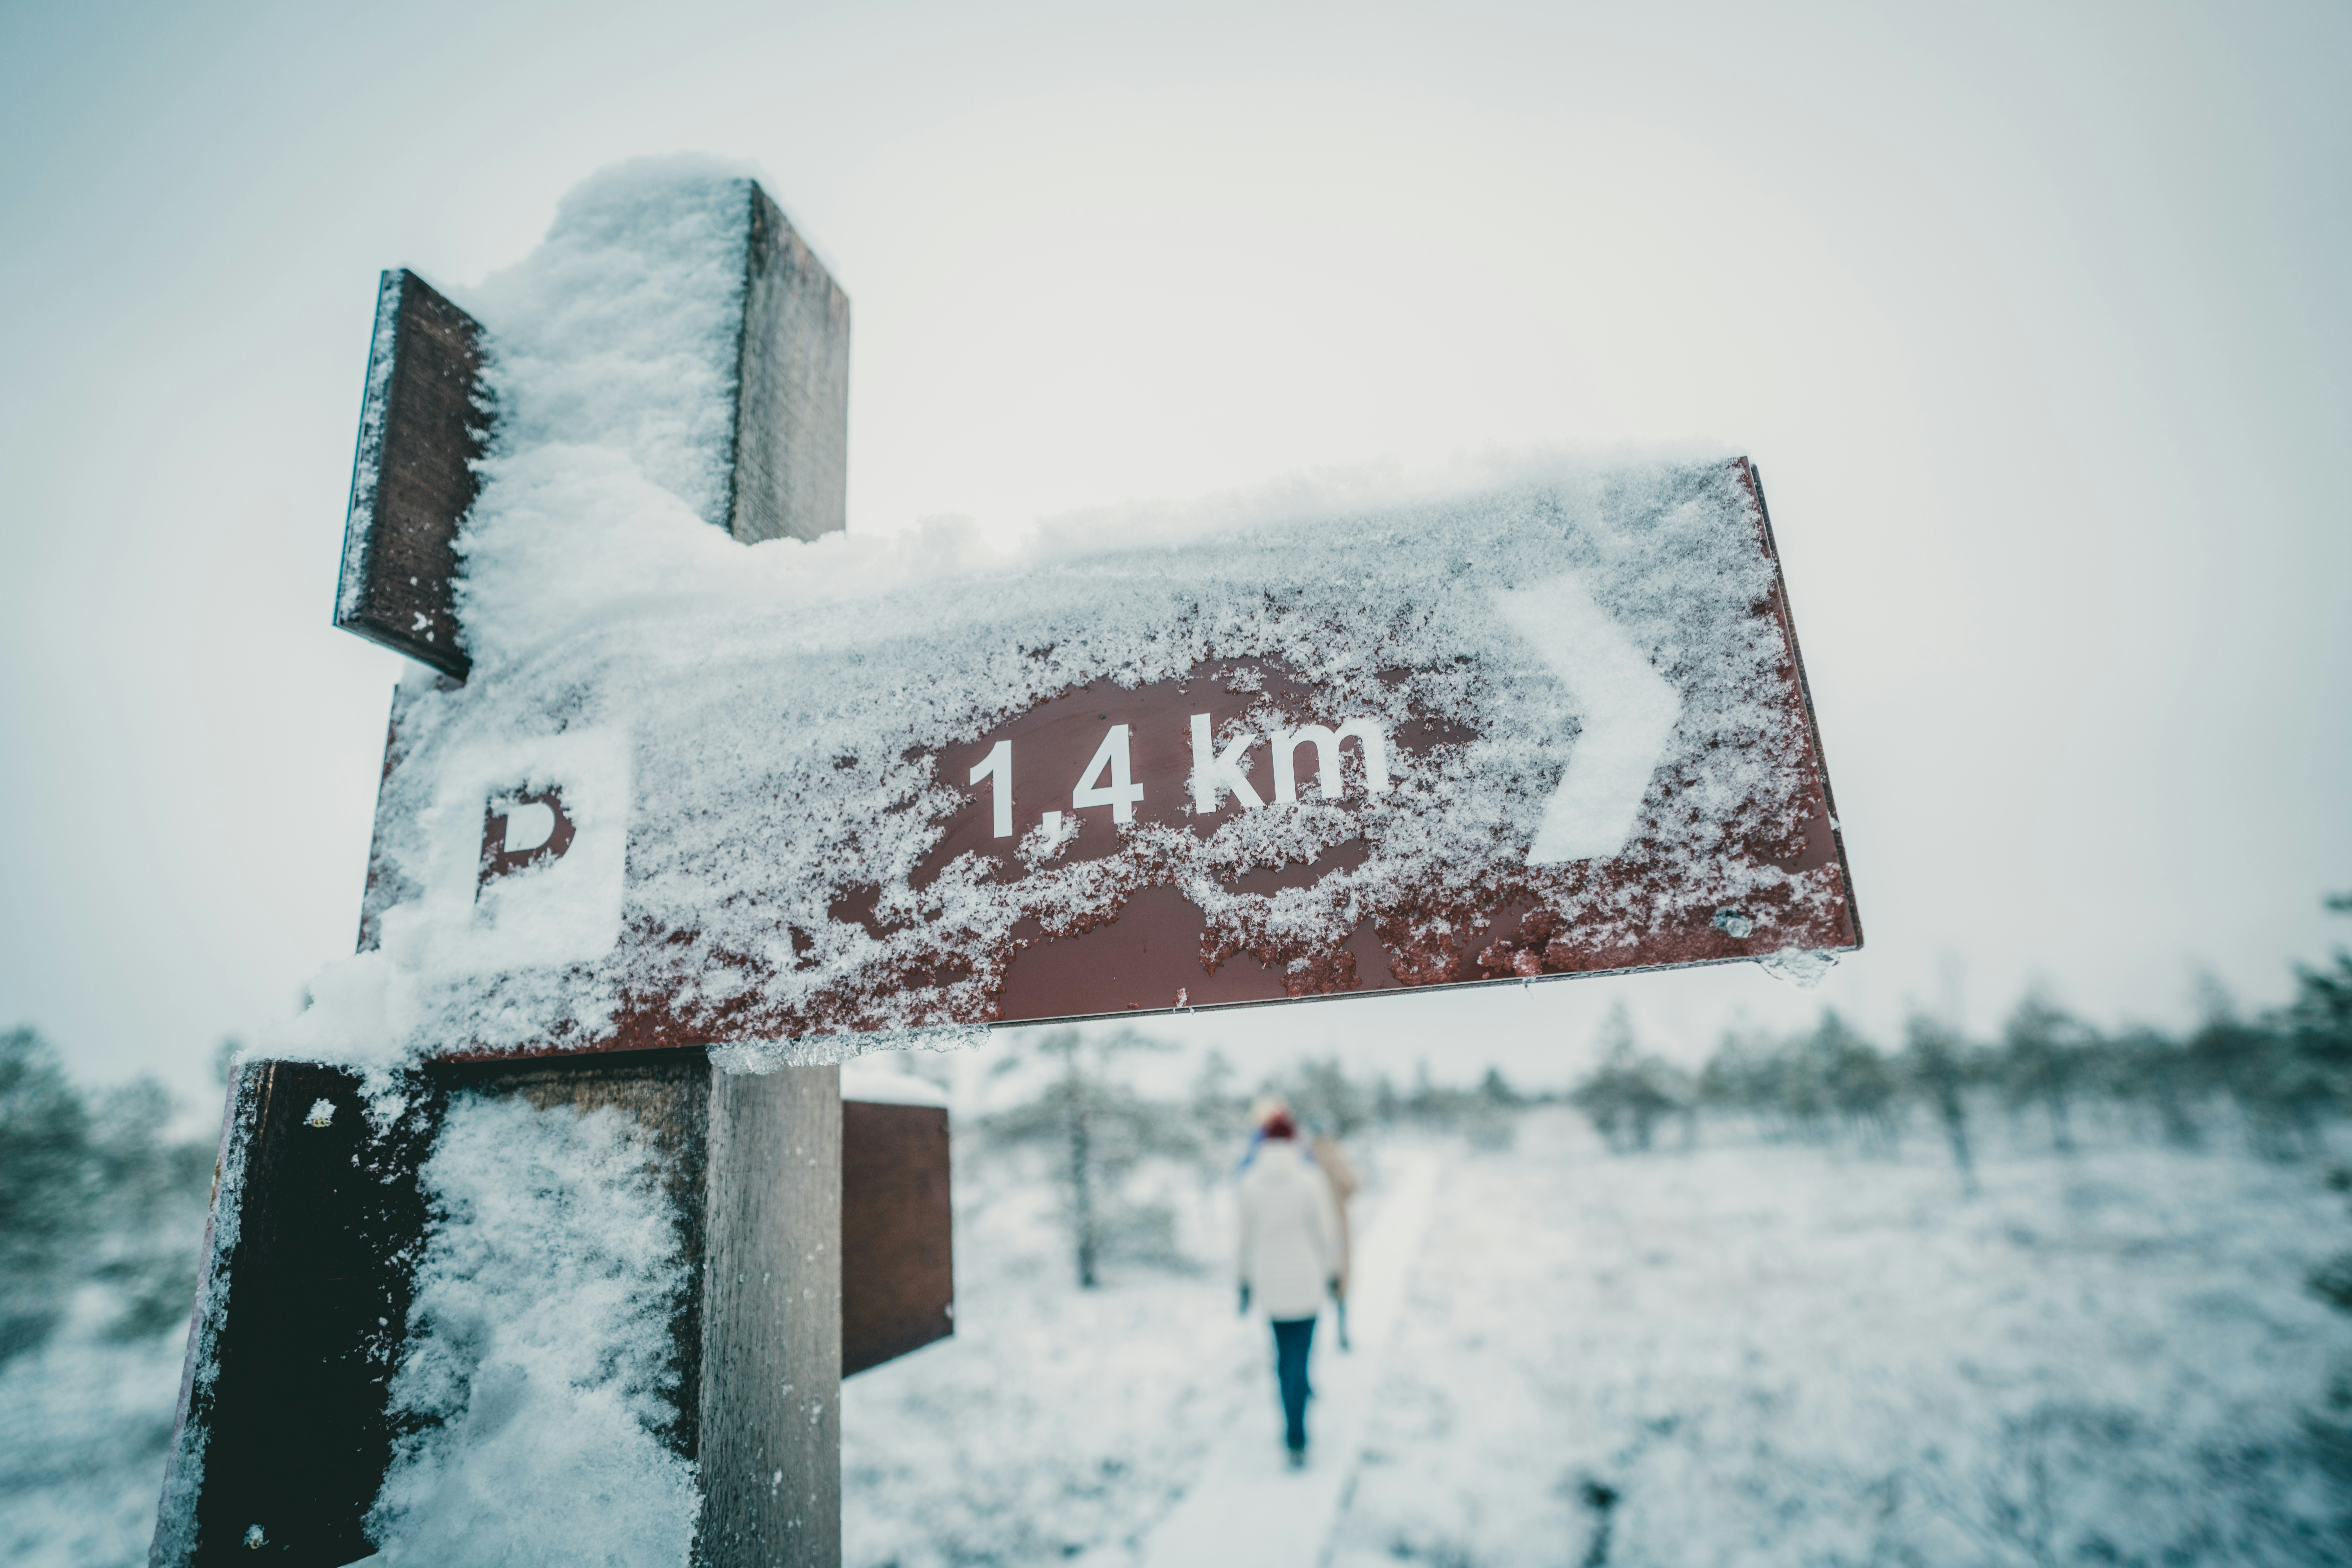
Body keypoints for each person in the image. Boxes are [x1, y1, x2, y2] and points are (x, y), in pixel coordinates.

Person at [1236, 1103, 1341, 1466]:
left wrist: (1243, 1283)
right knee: (1303, 1352)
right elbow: (1325, 1234)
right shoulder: (1309, 1179)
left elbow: (1244, 1240)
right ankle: (1299, 1426)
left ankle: (1291, 1428)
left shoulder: (1250, 1182)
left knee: (1282, 1356)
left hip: (1270, 1284)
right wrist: (1333, 1272)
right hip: (1307, 1279)